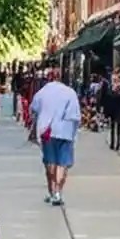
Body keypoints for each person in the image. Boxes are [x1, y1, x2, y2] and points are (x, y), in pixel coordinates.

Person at [29, 69, 82, 205]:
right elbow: (75, 114)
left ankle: (51, 190)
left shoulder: (42, 92)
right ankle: (58, 192)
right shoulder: (70, 92)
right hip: (66, 131)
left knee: (50, 161)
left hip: (48, 130)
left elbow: (34, 108)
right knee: (62, 163)